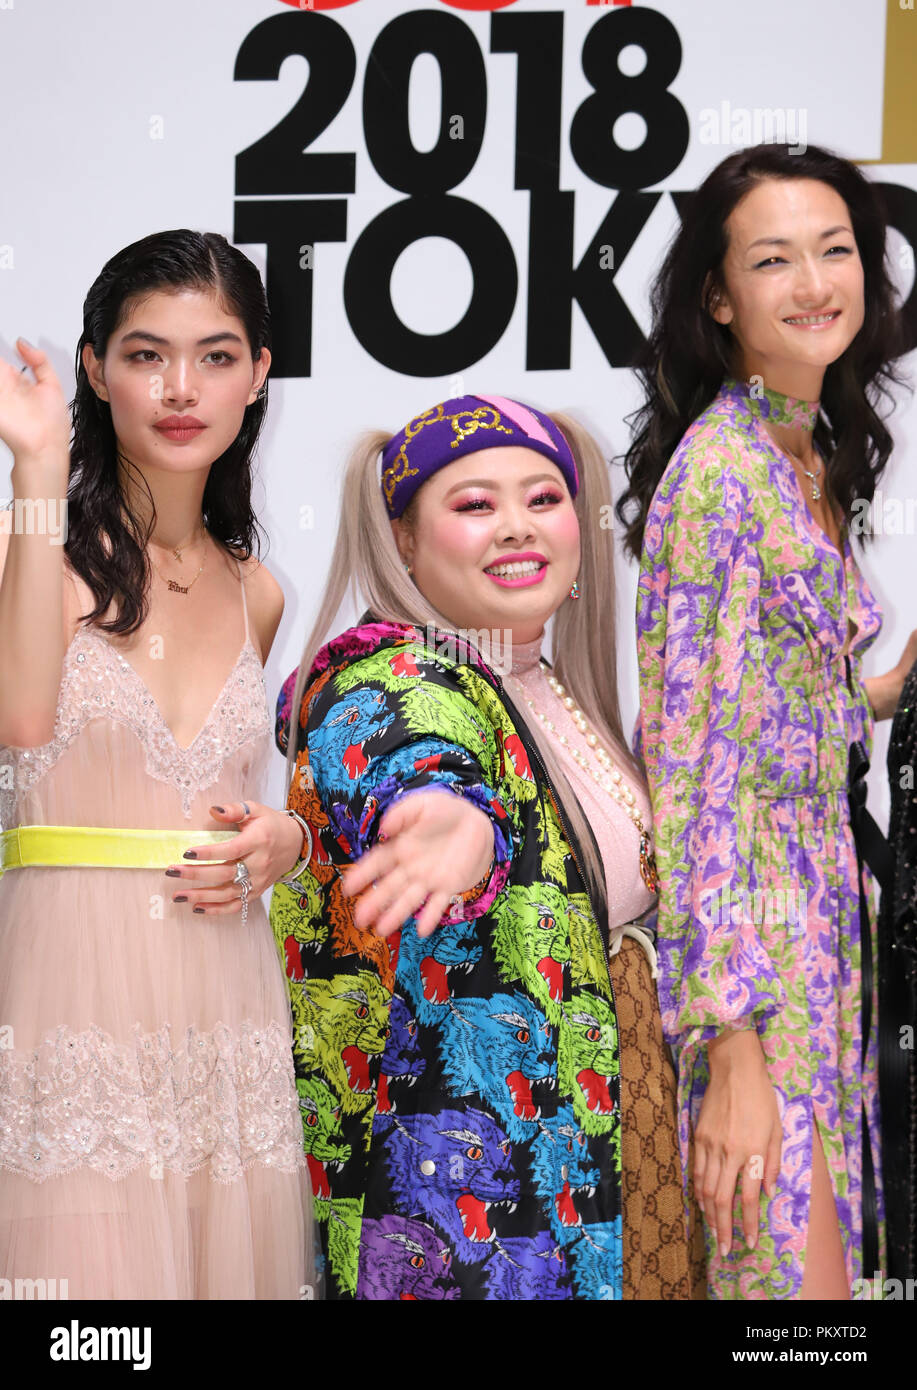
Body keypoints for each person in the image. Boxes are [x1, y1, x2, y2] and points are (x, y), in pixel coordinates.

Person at [270, 392, 704, 1300]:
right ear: (405, 542)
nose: (517, 527)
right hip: (470, 1192)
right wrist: (448, 817)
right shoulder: (389, 668)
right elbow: (406, 746)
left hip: (610, 1136)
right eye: (474, 505)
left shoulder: (550, 681)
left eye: (543, 499)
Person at [617, 141, 917, 1299]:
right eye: (772, 258)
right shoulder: (721, 474)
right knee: (787, 1301)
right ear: (716, 294)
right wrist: (726, 1037)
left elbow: (771, 701)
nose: (812, 282)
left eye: (833, 249)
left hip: (820, 910)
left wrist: (877, 690)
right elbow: (688, 767)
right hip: (753, 935)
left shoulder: (805, 440)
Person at [0, 230, 316, 1298]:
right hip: (67, 998)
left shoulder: (255, 589)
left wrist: (288, 840)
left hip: (221, 1003)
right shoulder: (27, 546)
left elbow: (246, 799)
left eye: (217, 355)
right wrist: (37, 473)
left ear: (259, 373)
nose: (182, 388)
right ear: (95, 368)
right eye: (145, 355)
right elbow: (22, 716)